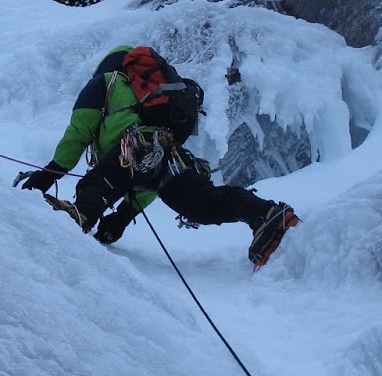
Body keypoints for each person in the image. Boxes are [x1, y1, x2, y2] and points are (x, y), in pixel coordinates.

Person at [17, 45, 297, 268]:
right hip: (169, 154)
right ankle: (265, 213)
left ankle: (80, 217)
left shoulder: (104, 83)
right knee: (203, 204)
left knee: (96, 182)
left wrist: (48, 175)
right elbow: (145, 177)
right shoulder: (151, 99)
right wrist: (123, 217)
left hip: (134, 149)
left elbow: (78, 135)